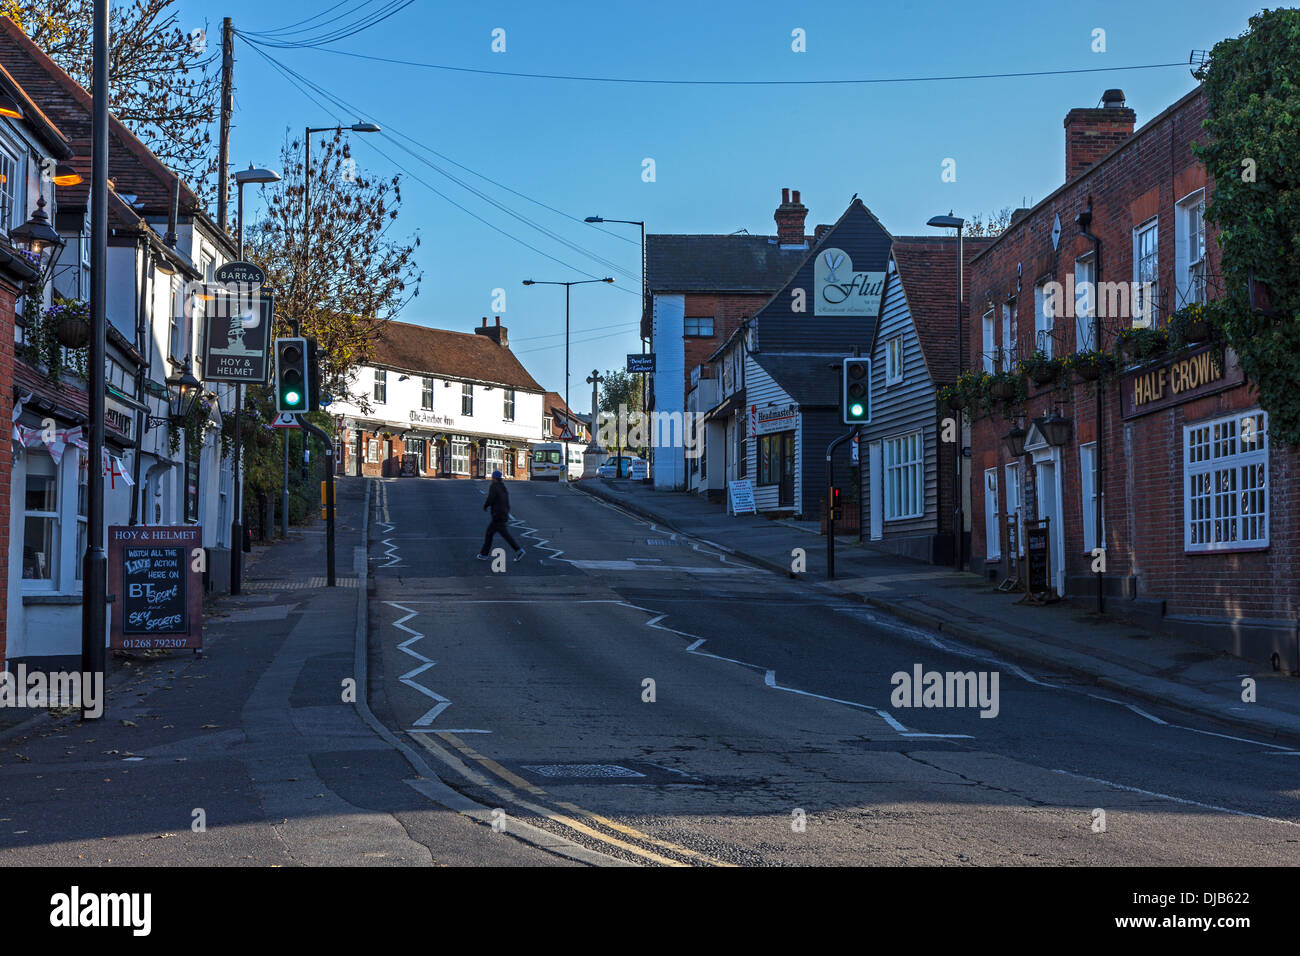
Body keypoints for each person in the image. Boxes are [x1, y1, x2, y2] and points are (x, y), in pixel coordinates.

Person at [478, 470, 525, 562]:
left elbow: (491, 498)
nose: (492, 479)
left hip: (497, 515)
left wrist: (485, 505)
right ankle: (484, 554)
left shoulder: (494, 486)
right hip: (503, 513)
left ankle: (518, 550)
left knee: (493, 534)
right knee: (496, 534)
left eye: (492, 477)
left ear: (495, 478)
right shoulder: (503, 487)